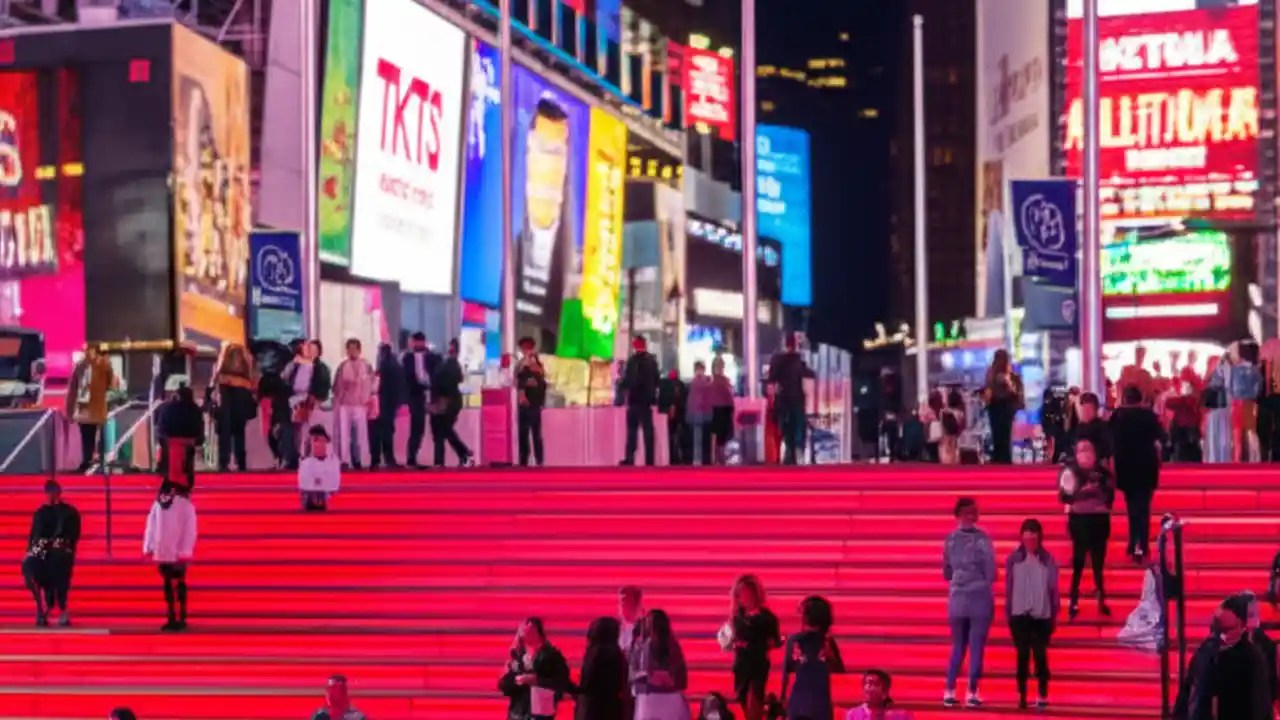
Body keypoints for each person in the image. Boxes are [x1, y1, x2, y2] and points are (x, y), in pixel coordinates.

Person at [1175, 594, 1272, 720]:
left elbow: (1260, 701)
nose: (1222, 635)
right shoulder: (1207, 652)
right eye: (1219, 629)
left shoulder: (1253, 655)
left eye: (1227, 629)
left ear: (1241, 626)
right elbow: (1191, 694)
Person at [942, 496, 996, 708]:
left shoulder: (950, 539)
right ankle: (972, 690)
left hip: (957, 597)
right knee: (975, 646)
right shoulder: (983, 539)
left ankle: (949, 689)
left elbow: (946, 570)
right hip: (979, 596)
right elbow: (990, 570)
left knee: (958, 646)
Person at [1004, 518, 1059, 710]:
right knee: (1022, 656)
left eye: (1033, 539)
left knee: (1040, 655)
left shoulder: (1048, 560)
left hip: (1042, 615)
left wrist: (1054, 614)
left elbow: (1053, 590)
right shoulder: (1013, 560)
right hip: (1019, 614)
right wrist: (1009, 613)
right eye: (1027, 539)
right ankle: (1022, 695)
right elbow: (1009, 588)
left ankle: (1042, 693)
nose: (1030, 543)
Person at [1059, 438, 1115, 619]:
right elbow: (1065, 497)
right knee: (1078, 562)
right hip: (1079, 520)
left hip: (1099, 520)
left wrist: (1097, 493)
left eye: (1088, 450)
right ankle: (1073, 601)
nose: (1086, 454)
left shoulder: (1103, 473)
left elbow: (1110, 496)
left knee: (1098, 563)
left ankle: (1101, 598)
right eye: (1082, 450)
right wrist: (1081, 491)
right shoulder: (1070, 472)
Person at [1110, 384, 1163, 563]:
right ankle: (1143, 544)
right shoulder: (1149, 416)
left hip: (1126, 466)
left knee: (1131, 507)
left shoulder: (1118, 416)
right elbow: (1161, 437)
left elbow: (1110, 440)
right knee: (1144, 507)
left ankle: (1133, 543)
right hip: (1146, 465)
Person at [22, 480, 80, 627]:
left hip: (60, 549)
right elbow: (34, 537)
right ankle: (40, 609)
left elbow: (72, 537)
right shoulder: (40, 513)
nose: (52, 496)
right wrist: (32, 550)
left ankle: (61, 607)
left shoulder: (69, 512)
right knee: (29, 565)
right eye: (49, 493)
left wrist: (60, 544)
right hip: (42, 548)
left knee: (58, 561)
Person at [779, 595, 844, 720]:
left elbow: (786, 673)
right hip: (808, 703)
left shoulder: (825, 642)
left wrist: (830, 657)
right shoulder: (796, 641)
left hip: (811, 703)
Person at [143, 482, 197, 631]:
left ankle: (174, 615)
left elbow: (150, 526)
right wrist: (186, 550)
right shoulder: (185, 505)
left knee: (169, 583)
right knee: (177, 582)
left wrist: (149, 547)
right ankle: (179, 616)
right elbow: (190, 529)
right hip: (176, 551)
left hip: (164, 550)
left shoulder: (158, 504)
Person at [727, 574, 781, 720]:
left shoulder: (767, 618)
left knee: (755, 700)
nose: (745, 597)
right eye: (741, 594)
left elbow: (775, 640)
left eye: (748, 593)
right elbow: (729, 638)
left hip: (758, 664)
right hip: (742, 664)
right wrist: (733, 643)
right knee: (743, 700)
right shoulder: (737, 617)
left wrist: (769, 643)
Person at [500, 617, 572, 720]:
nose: (524, 629)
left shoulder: (551, 656)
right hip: (517, 714)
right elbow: (504, 686)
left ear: (537, 631)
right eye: (523, 627)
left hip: (541, 713)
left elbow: (562, 683)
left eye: (529, 626)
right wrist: (514, 680)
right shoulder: (517, 656)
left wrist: (537, 681)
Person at [631, 609, 690, 720]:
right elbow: (633, 671)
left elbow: (682, 677)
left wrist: (669, 679)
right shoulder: (641, 645)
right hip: (649, 698)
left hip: (666, 698)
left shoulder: (672, 646)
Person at [282, 341, 332, 469]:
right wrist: (294, 363)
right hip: (294, 400)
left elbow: (323, 385)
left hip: (311, 400)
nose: (310, 351)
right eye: (309, 348)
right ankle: (294, 457)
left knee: (308, 431)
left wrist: (315, 398)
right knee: (295, 431)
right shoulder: (296, 364)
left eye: (313, 349)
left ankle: (308, 455)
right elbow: (284, 377)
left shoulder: (320, 367)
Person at [767, 334, 815, 466]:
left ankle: (789, 452)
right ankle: (794, 453)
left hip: (783, 401)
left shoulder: (777, 360)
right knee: (797, 429)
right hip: (796, 400)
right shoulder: (798, 361)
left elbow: (771, 379)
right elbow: (810, 374)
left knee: (786, 430)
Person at [66, 344, 115, 471]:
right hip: (85, 408)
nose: (87, 353)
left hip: (97, 407)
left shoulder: (103, 365)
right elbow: (73, 389)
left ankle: (101, 461)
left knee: (100, 436)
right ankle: (88, 460)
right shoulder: (81, 367)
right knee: (87, 435)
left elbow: (112, 384)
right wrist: (70, 410)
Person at [211, 342, 256, 471]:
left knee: (226, 433)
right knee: (238, 433)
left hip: (226, 401)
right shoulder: (246, 368)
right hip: (239, 400)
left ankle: (224, 463)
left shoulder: (222, 370)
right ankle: (240, 462)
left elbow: (213, 383)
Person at [333, 338, 375, 470]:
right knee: (345, 434)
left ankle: (361, 461)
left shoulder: (366, 366)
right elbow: (336, 386)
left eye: (354, 349)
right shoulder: (342, 366)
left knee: (361, 435)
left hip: (361, 405)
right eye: (349, 349)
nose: (352, 351)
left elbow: (372, 384)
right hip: (345, 404)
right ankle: (344, 460)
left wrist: (367, 400)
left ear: (359, 350)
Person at [575, 616, 628, 720]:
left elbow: (587, 682)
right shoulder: (618, 654)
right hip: (612, 708)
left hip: (592, 708)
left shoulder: (594, 653)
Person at [431, 338, 472, 467]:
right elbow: (459, 379)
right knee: (443, 430)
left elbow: (448, 382)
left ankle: (459, 453)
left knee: (442, 430)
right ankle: (461, 453)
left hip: (447, 401)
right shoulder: (451, 364)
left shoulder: (448, 365)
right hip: (448, 400)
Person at [401, 332, 440, 468]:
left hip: (432, 394)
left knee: (436, 428)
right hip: (416, 395)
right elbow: (406, 377)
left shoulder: (433, 357)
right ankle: (411, 458)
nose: (415, 345)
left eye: (417, 342)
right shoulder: (408, 358)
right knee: (417, 426)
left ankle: (438, 460)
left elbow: (436, 374)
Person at [157, 384, 205, 492]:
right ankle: (186, 486)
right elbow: (199, 432)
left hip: (170, 445)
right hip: (188, 445)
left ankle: (168, 484)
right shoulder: (195, 410)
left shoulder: (167, 408)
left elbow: (161, 429)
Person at [620, 336, 660, 466]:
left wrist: (621, 385)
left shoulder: (633, 361)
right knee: (648, 432)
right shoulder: (652, 361)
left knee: (632, 431)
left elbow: (630, 380)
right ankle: (650, 460)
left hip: (635, 400)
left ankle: (630, 458)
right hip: (646, 401)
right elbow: (657, 380)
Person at [982, 349, 1022, 464]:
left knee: (997, 435)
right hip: (1005, 407)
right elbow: (1014, 391)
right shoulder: (1006, 374)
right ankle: (1005, 460)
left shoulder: (991, 373)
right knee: (1005, 435)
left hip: (995, 408)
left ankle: (998, 459)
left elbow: (988, 391)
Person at [370, 343, 404, 469]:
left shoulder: (382, 367)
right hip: (389, 405)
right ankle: (389, 459)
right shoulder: (396, 365)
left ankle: (376, 460)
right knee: (387, 433)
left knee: (376, 434)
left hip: (380, 405)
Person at [516, 336, 548, 467]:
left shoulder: (531, 365)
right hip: (532, 405)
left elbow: (525, 379)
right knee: (531, 434)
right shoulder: (526, 365)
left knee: (530, 434)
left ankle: (532, 459)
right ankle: (533, 459)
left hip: (530, 405)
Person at [299, 425, 342, 512]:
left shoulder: (334, 462)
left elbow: (334, 486)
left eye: (318, 439)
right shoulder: (305, 463)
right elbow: (304, 486)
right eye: (313, 440)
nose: (316, 444)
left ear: (325, 441)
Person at [845, 670, 914, 720]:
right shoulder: (853, 714)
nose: (870, 687)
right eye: (867, 683)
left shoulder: (902, 716)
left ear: (885, 690)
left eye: (875, 684)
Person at [1070, 392, 1112, 465]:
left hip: (1098, 467)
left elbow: (1109, 454)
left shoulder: (1103, 427)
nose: (1086, 412)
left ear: (1096, 409)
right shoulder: (1077, 428)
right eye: (1084, 409)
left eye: (1089, 409)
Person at [709, 358, 736, 465]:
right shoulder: (721, 380)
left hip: (720, 409)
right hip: (721, 409)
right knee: (721, 434)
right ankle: (719, 457)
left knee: (720, 435)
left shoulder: (714, 380)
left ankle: (718, 457)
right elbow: (729, 395)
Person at [658, 370, 689, 465]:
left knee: (671, 437)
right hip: (680, 415)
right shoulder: (681, 385)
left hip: (671, 415)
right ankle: (681, 457)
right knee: (679, 437)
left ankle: (673, 457)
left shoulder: (665, 384)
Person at [619, 585, 645, 658]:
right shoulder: (616, 630)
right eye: (620, 602)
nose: (621, 606)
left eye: (625, 601)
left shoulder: (646, 629)